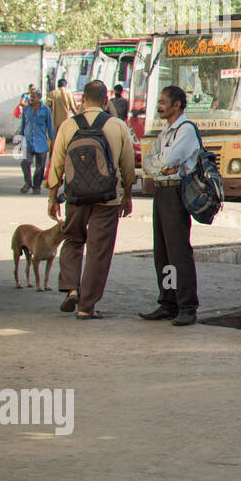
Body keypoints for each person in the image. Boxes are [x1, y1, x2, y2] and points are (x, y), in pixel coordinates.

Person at [46, 80, 135, 320]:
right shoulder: (117, 126)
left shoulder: (68, 126)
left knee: (73, 239)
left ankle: (72, 288)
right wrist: (126, 195)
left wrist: (53, 198)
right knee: (99, 250)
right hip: (107, 199)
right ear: (106, 101)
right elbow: (128, 166)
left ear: (82, 101)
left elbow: (56, 164)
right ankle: (86, 307)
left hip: (75, 197)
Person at [140, 85, 200, 327]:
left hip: (177, 193)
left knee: (178, 252)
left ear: (177, 105)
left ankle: (187, 305)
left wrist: (162, 165)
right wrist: (160, 168)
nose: (160, 106)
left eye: (164, 101)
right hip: (161, 192)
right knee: (162, 253)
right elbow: (149, 162)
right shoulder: (165, 133)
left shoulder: (185, 131)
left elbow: (168, 160)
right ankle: (167, 301)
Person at [18, 88, 54, 194]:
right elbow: (22, 126)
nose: (31, 99)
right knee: (25, 162)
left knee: (40, 166)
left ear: (39, 97)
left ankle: (36, 186)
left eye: (33, 97)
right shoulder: (26, 109)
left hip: (41, 142)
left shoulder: (46, 110)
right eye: (30, 96)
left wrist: (52, 142)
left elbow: (50, 127)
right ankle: (28, 183)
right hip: (27, 142)